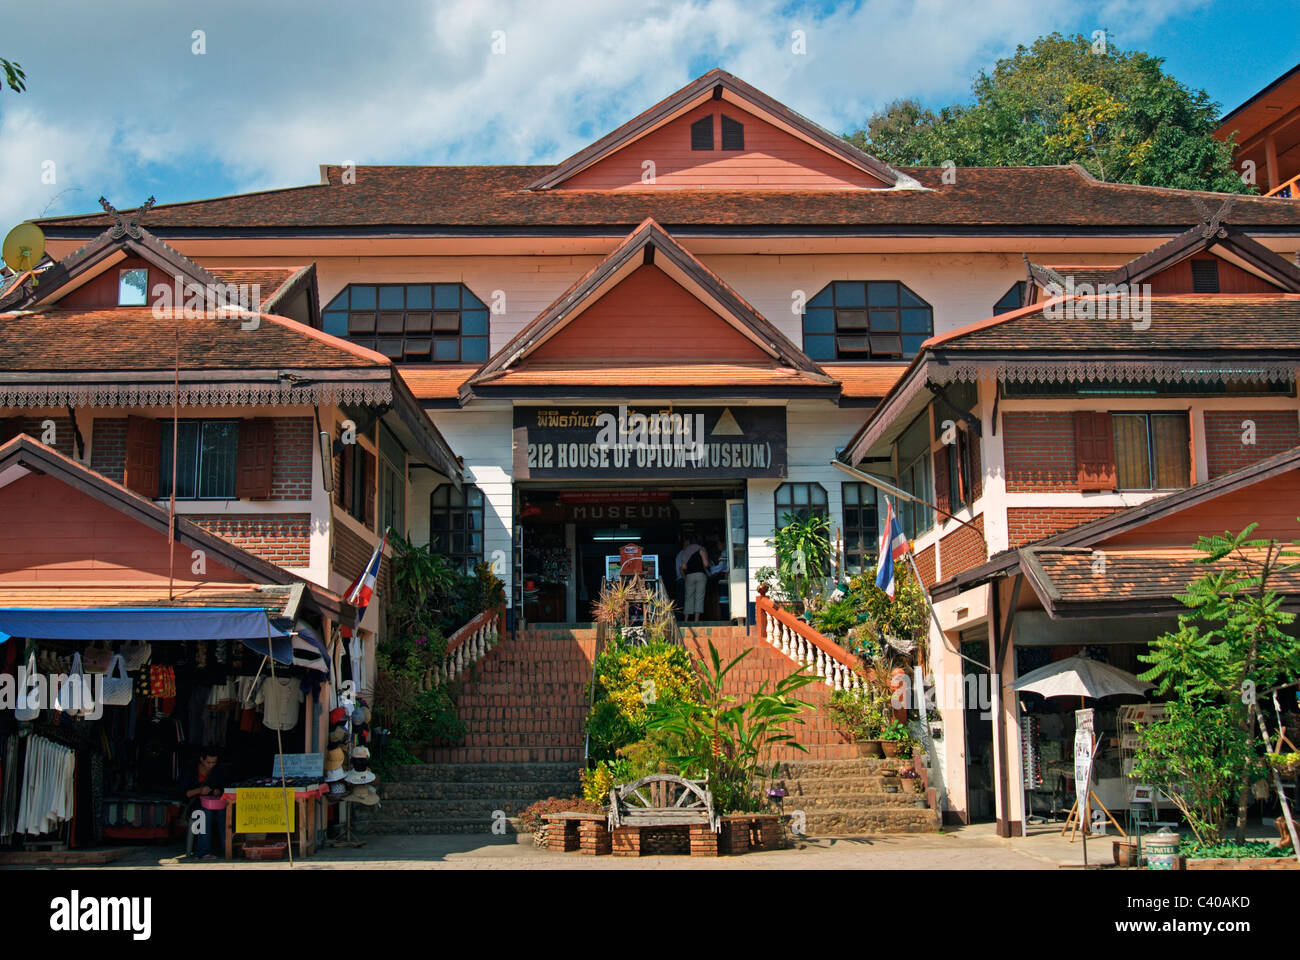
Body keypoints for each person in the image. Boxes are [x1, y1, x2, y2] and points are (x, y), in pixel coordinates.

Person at [179, 746, 225, 860]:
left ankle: (227, 848)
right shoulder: (191, 771)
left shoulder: (216, 771)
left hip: (213, 804)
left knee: (223, 812)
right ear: (201, 759)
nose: (211, 765)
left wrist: (217, 791)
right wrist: (200, 791)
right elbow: (185, 794)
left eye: (214, 762)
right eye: (208, 762)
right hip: (195, 805)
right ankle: (204, 853)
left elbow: (221, 788)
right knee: (204, 814)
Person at [679, 535, 709, 623]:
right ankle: (696, 620)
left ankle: (686, 620)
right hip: (700, 575)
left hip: (689, 576)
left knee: (688, 597)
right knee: (699, 597)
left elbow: (683, 567)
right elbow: (706, 564)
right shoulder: (701, 549)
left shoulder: (686, 551)